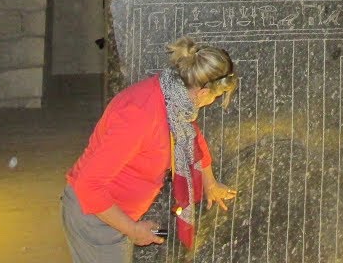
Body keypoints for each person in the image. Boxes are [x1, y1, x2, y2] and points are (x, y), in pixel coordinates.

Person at [61, 36, 240, 260]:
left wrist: (210, 183)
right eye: (217, 96)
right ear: (203, 93)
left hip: (121, 214)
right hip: (98, 219)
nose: (213, 101)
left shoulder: (173, 98)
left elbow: (193, 138)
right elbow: (89, 186)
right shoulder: (139, 116)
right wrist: (134, 230)